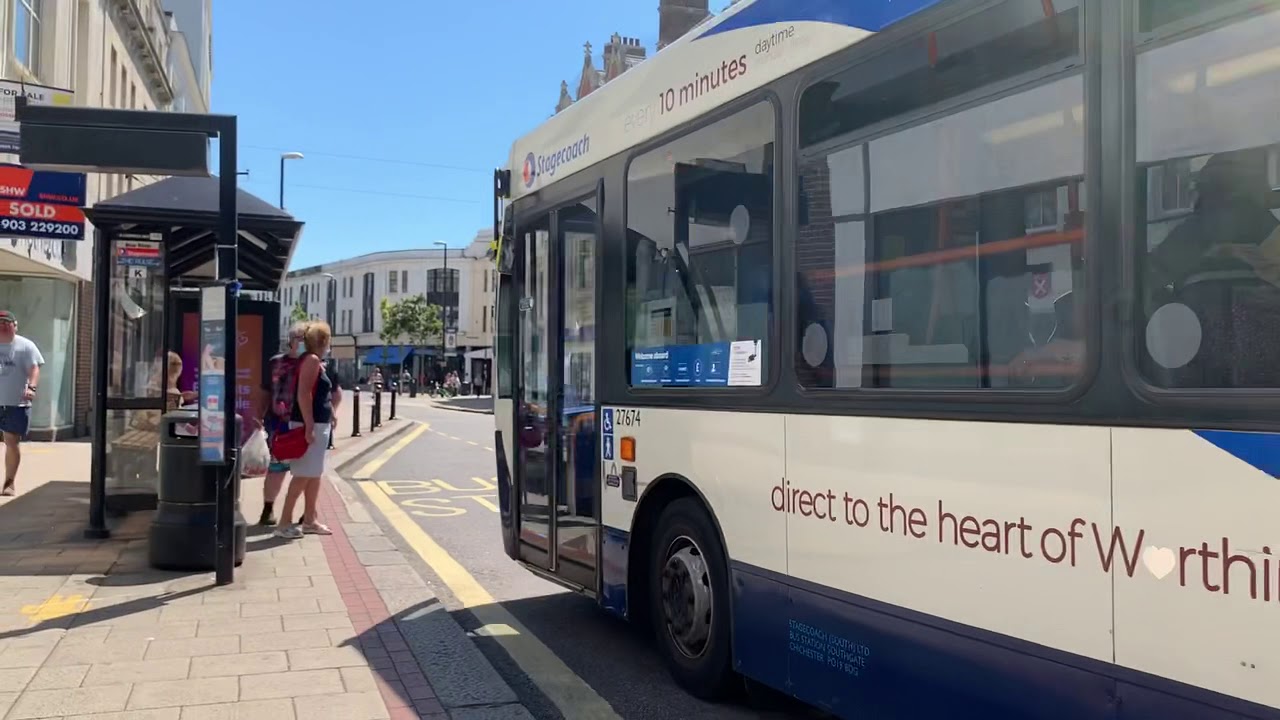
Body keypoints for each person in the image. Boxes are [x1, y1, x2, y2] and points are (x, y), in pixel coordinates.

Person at [274, 321, 335, 539]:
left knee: (313, 475)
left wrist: (331, 415)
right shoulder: (311, 360)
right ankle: (284, 523)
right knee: (302, 475)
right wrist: (309, 425)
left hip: (318, 423)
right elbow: (304, 394)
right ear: (323, 341)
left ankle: (310, 519)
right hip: (310, 425)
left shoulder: (314, 360)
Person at [255, 322, 306, 526]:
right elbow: (264, 391)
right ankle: (268, 509)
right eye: (300, 339)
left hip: (305, 425)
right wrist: (258, 417)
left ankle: (306, 512)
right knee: (277, 468)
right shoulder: (275, 363)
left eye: (306, 340)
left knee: (306, 470)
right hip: (279, 424)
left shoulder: (314, 363)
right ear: (291, 341)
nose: (303, 344)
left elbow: (333, 392)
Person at [0, 311, 42, 496]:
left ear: (15, 326)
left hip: (16, 403)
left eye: (6, 322)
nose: (3, 325)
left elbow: (34, 368)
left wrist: (31, 387)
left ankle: (9, 482)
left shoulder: (26, 346)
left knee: (11, 441)